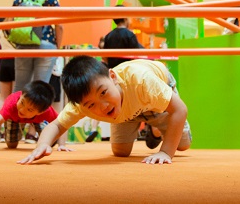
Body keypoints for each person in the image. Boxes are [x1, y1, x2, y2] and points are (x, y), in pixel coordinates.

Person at [18, 56, 191, 165]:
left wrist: (165, 152)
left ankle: (154, 128)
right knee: (120, 152)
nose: (103, 106)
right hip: (128, 109)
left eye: (103, 93)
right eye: (91, 105)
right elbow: (56, 125)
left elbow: (180, 110)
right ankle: (144, 123)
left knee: (182, 146)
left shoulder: (142, 81)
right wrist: (42, 145)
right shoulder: (81, 104)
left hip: (154, 94)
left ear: (113, 77)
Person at [0, 81, 69, 152]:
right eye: (22, 103)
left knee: (50, 142)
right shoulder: (12, 103)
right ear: (21, 95)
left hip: (37, 120)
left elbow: (62, 123)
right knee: (11, 145)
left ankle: (36, 131)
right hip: (13, 119)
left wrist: (62, 145)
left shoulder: (47, 111)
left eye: (30, 109)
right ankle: (19, 130)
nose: (22, 110)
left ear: (41, 112)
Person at [11, 0, 63, 91]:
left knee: (20, 87)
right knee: (40, 88)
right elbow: (59, 25)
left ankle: (16, 110)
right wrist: (58, 48)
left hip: (23, 44)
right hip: (46, 44)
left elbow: (8, 22)